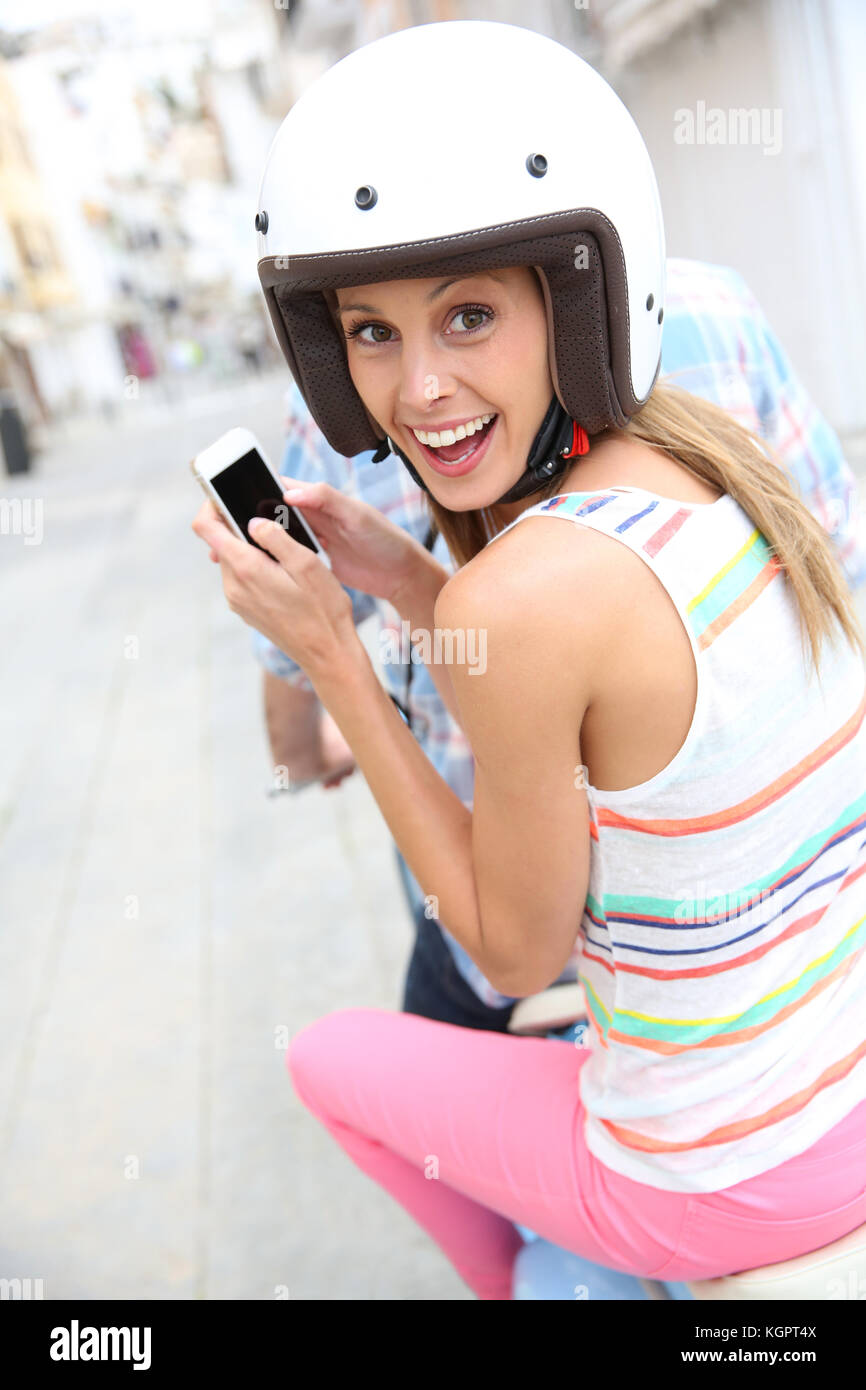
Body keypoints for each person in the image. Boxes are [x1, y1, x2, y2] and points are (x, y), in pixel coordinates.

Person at [192, 20, 866, 1298]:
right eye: (371, 333)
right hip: (836, 1091)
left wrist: (335, 652)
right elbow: (608, 672)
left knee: (329, 1055)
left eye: (465, 315)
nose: (418, 390)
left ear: (577, 298)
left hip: (711, 1183)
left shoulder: (520, 596)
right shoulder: (701, 459)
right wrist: (403, 578)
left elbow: (510, 954)